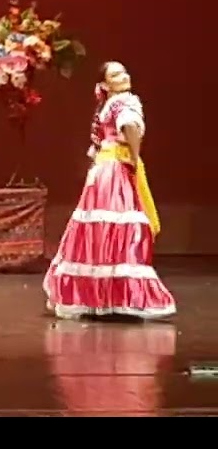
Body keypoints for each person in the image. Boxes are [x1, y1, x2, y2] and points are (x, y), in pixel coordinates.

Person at [42, 61, 176, 321]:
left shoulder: (105, 107)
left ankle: (97, 295)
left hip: (102, 170)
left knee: (101, 230)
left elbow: (100, 143)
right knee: (124, 230)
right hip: (117, 168)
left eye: (124, 71)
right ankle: (119, 296)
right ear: (105, 84)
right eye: (116, 74)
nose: (124, 76)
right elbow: (130, 128)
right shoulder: (126, 102)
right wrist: (135, 160)